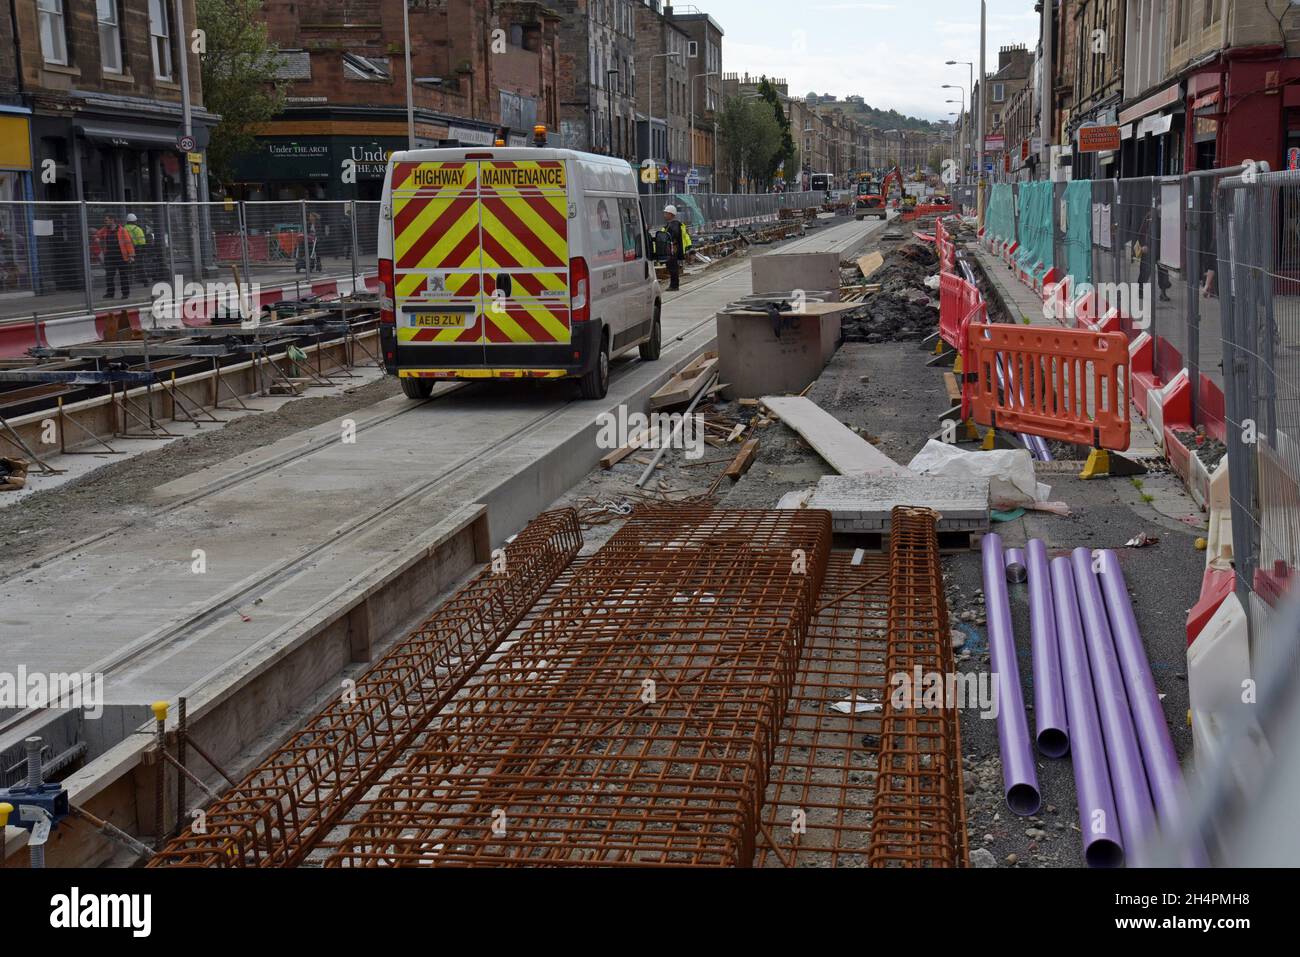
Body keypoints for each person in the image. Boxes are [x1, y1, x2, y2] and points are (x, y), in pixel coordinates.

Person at [91, 214, 135, 299]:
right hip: (109, 257)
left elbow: (128, 243)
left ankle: (125, 293)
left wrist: (131, 255)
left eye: (107, 220)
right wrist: (97, 238)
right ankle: (110, 293)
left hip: (122, 257)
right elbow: (98, 234)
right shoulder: (105, 229)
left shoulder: (122, 230)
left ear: (112, 220)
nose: (105, 222)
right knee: (109, 276)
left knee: (123, 276)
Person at [662, 204, 685, 290]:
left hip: (673, 250)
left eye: (666, 213)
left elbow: (673, 236)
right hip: (671, 250)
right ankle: (673, 285)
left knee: (673, 268)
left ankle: (674, 286)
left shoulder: (674, 225)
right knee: (671, 268)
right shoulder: (670, 224)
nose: (664, 215)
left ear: (671, 214)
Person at [124, 213, 148, 285]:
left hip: (127, 250)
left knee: (127, 266)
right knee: (140, 265)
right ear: (135, 221)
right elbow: (142, 241)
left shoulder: (123, 228)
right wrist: (143, 250)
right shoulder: (138, 229)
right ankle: (145, 281)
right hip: (138, 249)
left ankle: (128, 281)